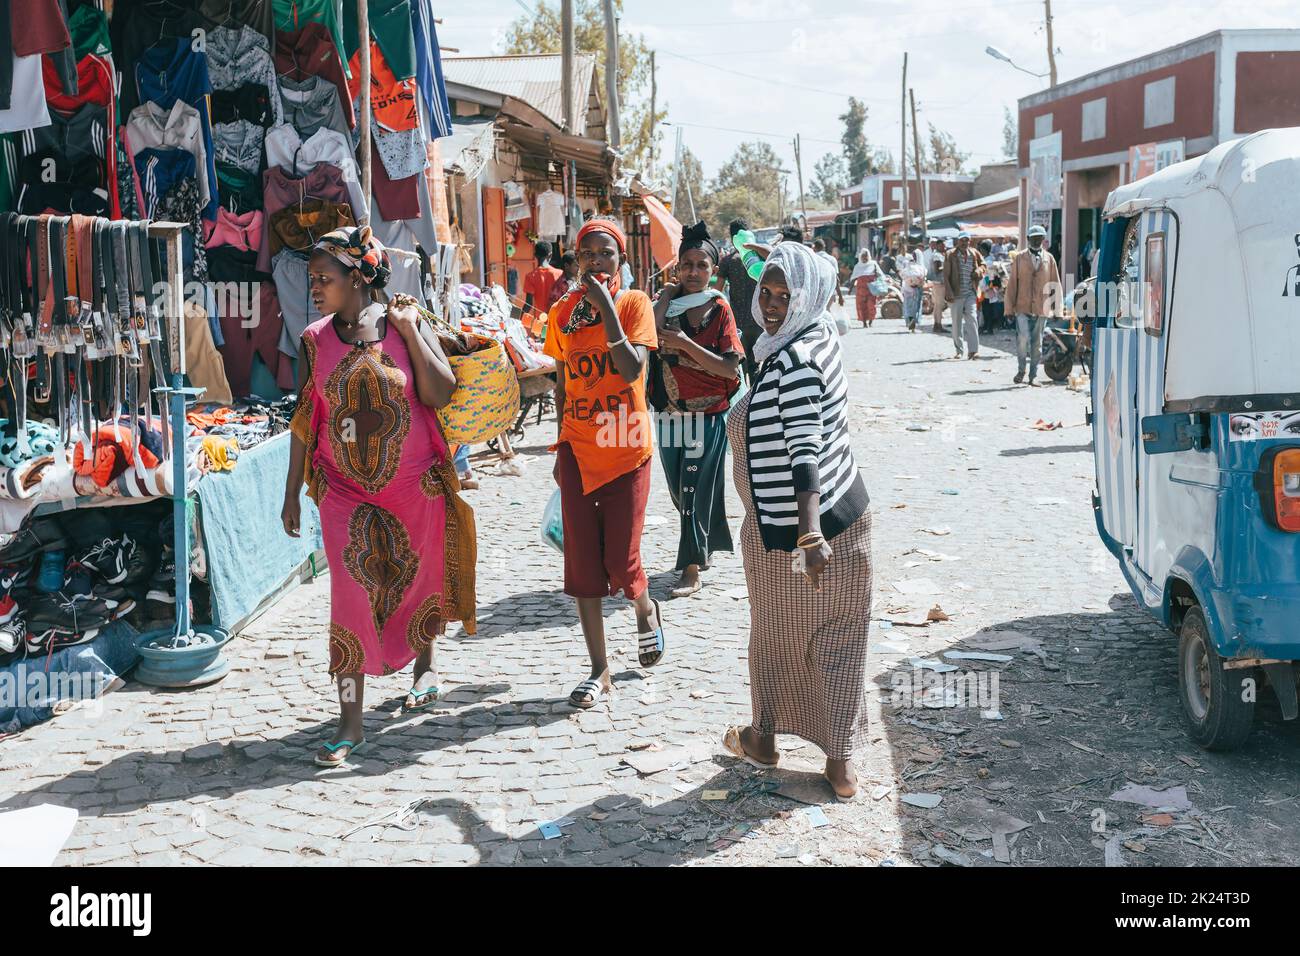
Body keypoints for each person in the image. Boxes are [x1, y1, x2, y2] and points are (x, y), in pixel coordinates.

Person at [282, 226, 478, 767]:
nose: (315, 288)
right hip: (344, 492)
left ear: (359, 276)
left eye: (325, 279)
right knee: (350, 600)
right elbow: (305, 420)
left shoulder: (403, 321)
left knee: (415, 582)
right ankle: (351, 721)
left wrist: (413, 333)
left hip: (414, 488)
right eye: (312, 280)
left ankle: (424, 667)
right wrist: (293, 491)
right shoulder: (313, 340)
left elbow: (440, 392)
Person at [720, 241, 874, 801]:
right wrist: (773, 253)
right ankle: (840, 763)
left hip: (797, 536)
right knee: (839, 640)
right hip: (846, 517)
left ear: (805, 297)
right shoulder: (819, 329)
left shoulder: (795, 361)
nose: (774, 302)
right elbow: (821, 271)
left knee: (780, 639)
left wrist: (809, 537)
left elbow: (803, 451)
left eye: (786, 294)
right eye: (767, 291)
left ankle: (764, 739)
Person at [544, 218, 666, 709]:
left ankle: (644, 606)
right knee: (583, 564)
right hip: (578, 447)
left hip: (626, 443)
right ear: (578, 260)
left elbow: (634, 368)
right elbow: (561, 382)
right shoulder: (561, 312)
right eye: (588, 254)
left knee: (621, 557)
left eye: (606, 254)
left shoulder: (634, 305)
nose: (597, 262)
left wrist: (606, 312)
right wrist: (559, 445)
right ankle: (600, 670)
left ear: (619, 261)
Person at [650, 222, 742, 598]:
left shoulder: (720, 309)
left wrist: (686, 344)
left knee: (692, 487)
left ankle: (690, 569)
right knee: (679, 491)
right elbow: (647, 339)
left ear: (713, 270)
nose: (693, 272)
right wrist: (665, 298)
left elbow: (729, 367)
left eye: (701, 265)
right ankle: (702, 547)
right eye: (686, 264)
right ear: (677, 268)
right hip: (671, 414)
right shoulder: (666, 303)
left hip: (708, 416)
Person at [1005, 223, 1063, 386]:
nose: (1037, 241)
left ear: (1043, 239)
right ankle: (1021, 370)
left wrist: (1057, 309)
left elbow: (1055, 284)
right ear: (1028, 239)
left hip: (1041, 307)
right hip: (1022, 306)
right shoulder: (1019, 258)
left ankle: (1033, 375)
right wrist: (1009, 308)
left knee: (1037, 343)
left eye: (1040, 238)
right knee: (1023, 338)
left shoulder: (1049, 258)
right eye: (1034, 238)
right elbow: (1012, 285)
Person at [715, 218, 764, 383]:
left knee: (740, 369)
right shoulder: (758, 261)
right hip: (758, 321)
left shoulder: (728, 261)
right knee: (756, 367)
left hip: (737, 325)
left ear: (732, 236)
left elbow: (717, 292)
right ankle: (758, 402)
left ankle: (742, 406)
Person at [943, 231, 985, 359]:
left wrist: (978, 271)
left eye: (966, 240)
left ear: (969, 241)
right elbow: (946, 275)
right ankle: (959, 350)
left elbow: (983, 265)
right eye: (962, 240)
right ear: (958, 241)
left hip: (970, 292)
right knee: (957, 323)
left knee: (972, 320)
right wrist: (949, 292)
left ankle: (973, 351)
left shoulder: (974, 253)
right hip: (956, 294)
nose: (964, 243)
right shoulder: (950, 255)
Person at [523, 241, 562, 317]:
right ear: (550, 255)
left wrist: (516, 318)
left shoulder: (530, 276)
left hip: (541, 322)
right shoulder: (560, 274)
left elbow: (528, 304)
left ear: (535, 255)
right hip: (558, 321)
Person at [848, 249, 880, 328]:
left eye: (866, 257)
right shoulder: (858, 266)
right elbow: (854, 278)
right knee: (861, 306)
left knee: (871, 306)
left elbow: (879, 274)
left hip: (871, 289)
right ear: (860, 257)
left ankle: (871, 321)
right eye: (863, 257)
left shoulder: (873, 264)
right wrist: (850, 289)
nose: (865, 259)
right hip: (861, 290)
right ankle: (864, 322)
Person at [899, 240, 926, 332]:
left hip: (908, 289)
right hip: (916, 290)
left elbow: (902, 274)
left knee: (909, 306)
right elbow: (923, 278)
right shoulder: (921, 268)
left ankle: (910, 322)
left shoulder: (909, 265)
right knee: (915, 306)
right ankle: (913, 322)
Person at [812, 238, 844, 308]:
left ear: (814, 248)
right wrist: (840, 296)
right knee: (827, 312)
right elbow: (836, 279)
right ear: (824, 247)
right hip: (829, 292)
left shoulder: (811, 258)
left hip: (815, 293)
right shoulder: (832, 259)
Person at [926, 236, 948, 334]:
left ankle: (937, 324)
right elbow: (937, 269)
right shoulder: (937, 256)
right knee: (939, 305)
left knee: (938, 305)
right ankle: (938, 325)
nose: (945, 247)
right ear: (938, 246)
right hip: (939, 283)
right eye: (943, 245)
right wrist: (947, 267)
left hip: (938, 282)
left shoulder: (939, 254)